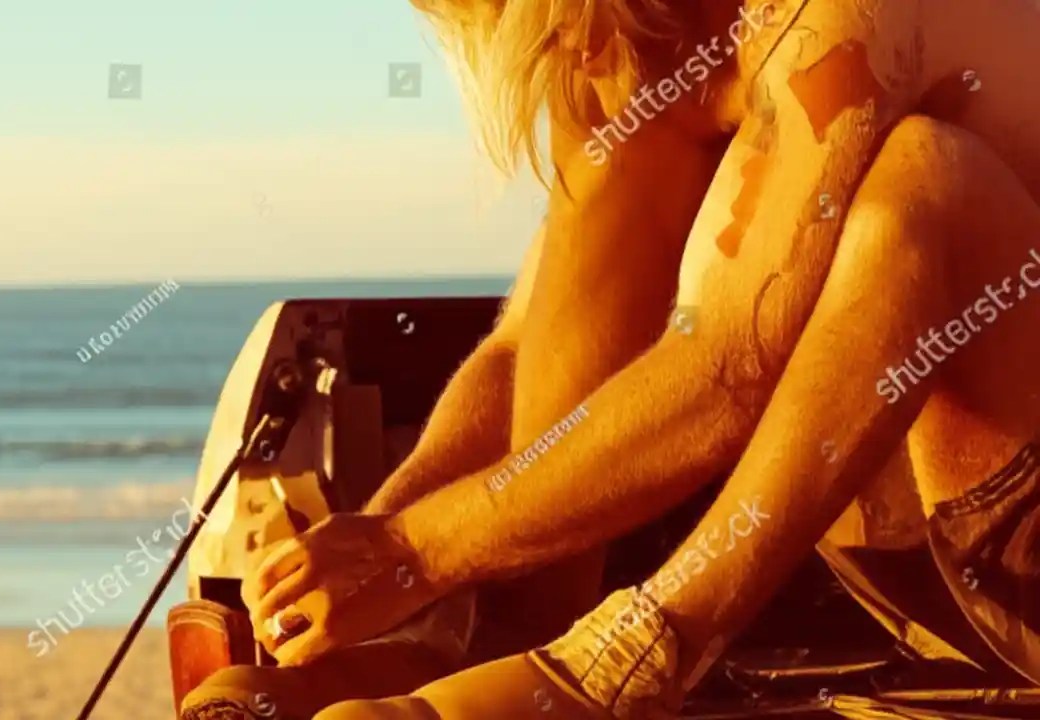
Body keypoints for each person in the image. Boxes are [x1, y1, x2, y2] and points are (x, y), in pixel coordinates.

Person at [183, 0, 1040, 717]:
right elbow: (523, 356)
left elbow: (730, 368)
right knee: (619, 145)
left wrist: (416, 552)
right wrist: (374, 556)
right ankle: (460, 651)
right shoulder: (639, 74)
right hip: (916, 584)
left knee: (929, 183)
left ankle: (638, 653)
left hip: (1018, 573)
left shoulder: (837, 21)